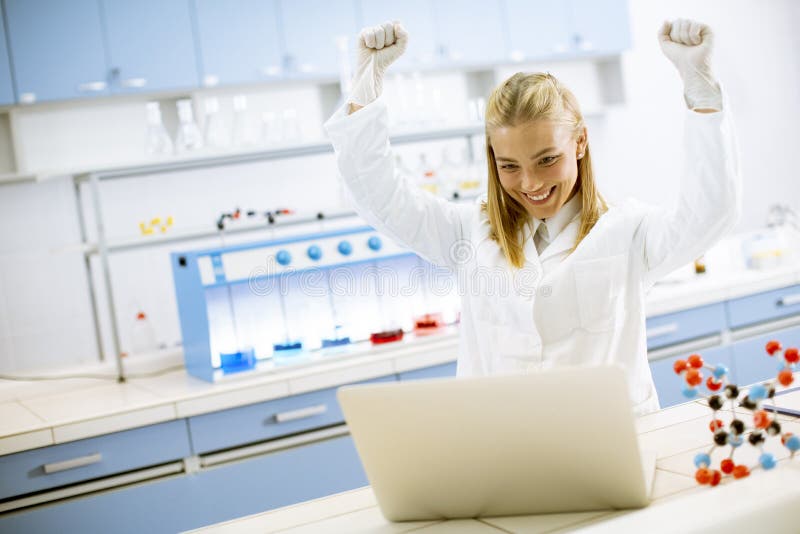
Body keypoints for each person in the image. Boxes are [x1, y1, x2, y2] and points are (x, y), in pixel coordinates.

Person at [324, 18, 741, 415]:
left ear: (580, 142)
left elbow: (709, 212)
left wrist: (700, 92)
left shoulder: (628, 233)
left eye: (547, 159)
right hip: (504, 460)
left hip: (606, 451)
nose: (530, 183)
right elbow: (377, 193)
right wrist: (365, 89)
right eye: (509, 166)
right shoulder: (468, 233)